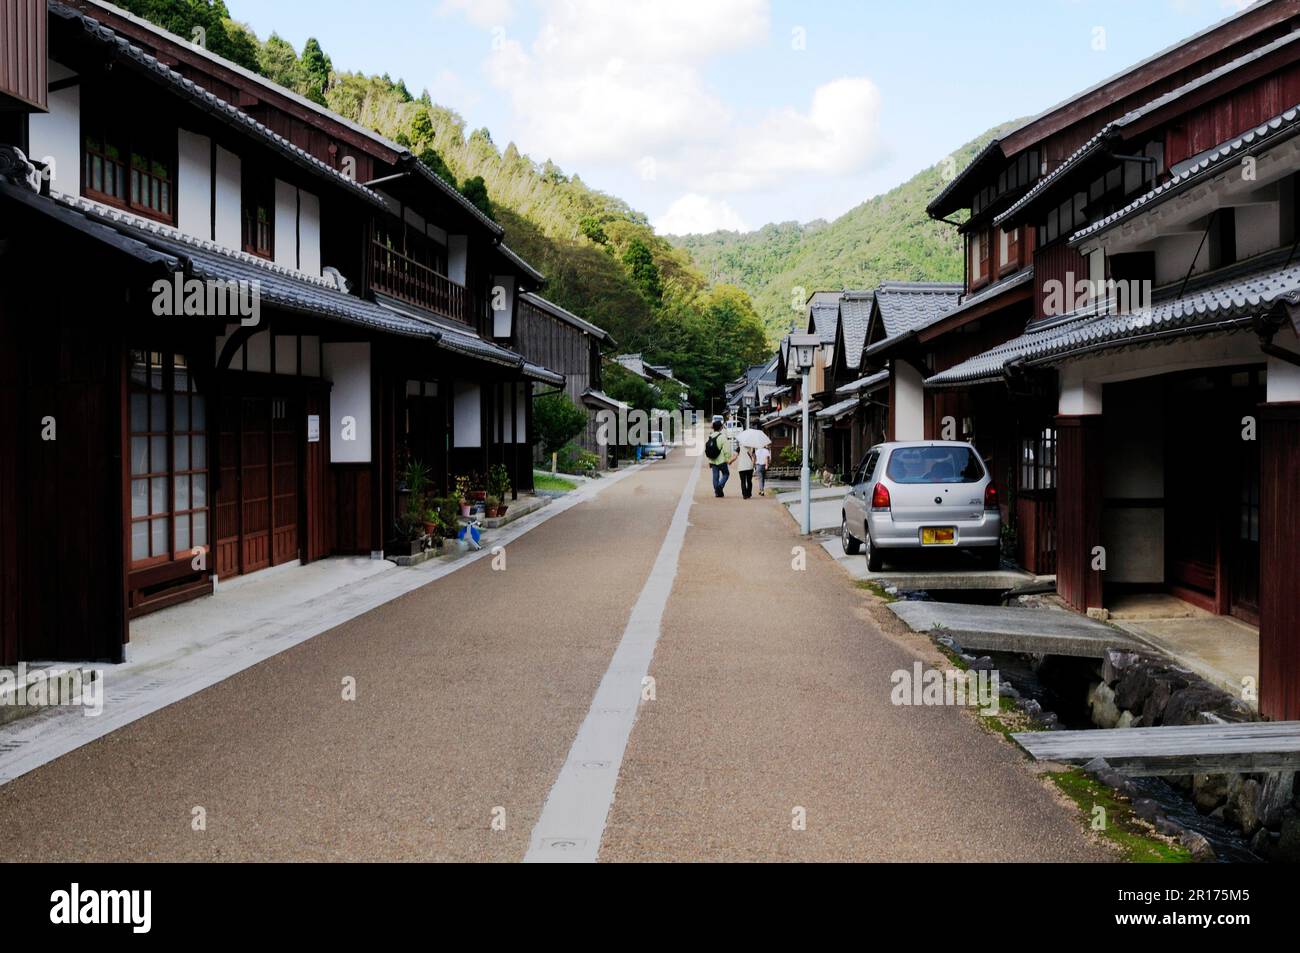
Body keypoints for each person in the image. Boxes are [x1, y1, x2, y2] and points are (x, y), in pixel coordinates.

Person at [705, 419, 735, 497]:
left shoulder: (710, 437)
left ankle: (717, 492)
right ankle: (720, 487)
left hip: (713, 460)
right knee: (726, 474)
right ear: (721, 428)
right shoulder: (722, 437)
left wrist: (709, 460)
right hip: (722, 461)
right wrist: (728, 459)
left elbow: (708, 449)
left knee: (715, 477)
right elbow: (727, 449)